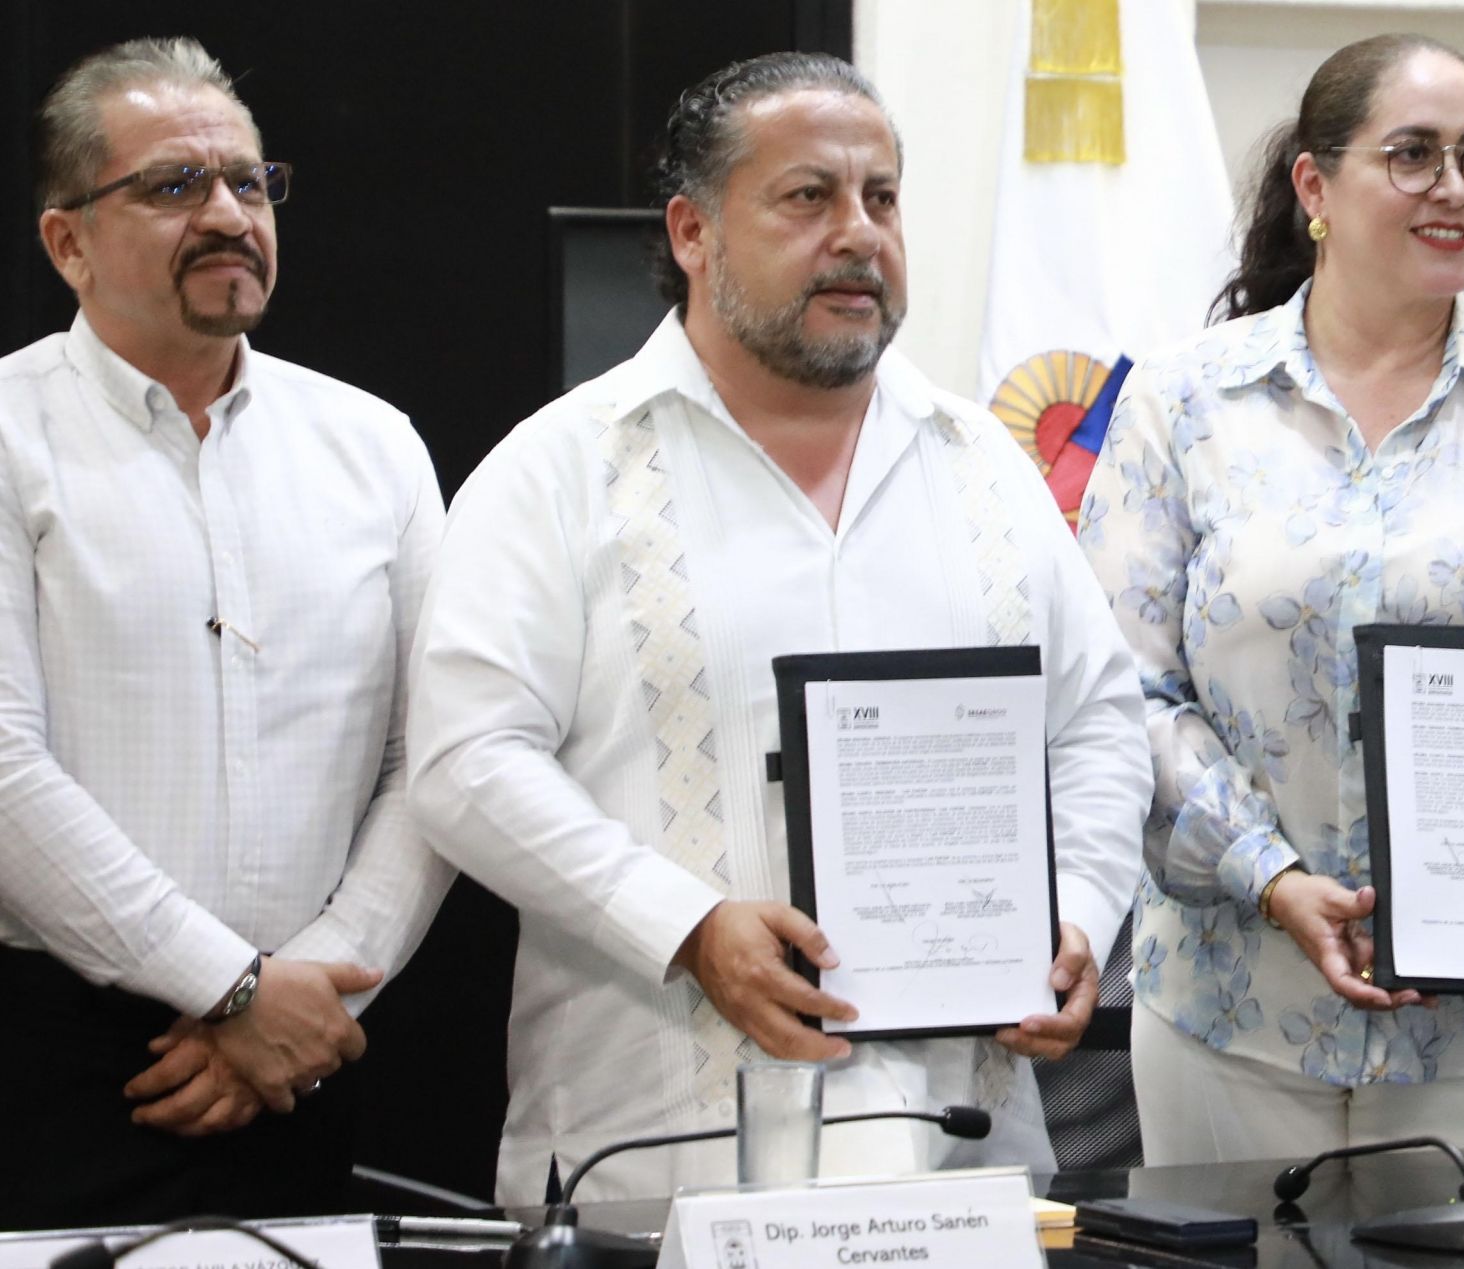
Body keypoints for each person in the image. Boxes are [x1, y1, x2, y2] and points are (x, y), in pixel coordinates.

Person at [408, 53, 1149, 1203]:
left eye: (883, 198)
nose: (859, 234)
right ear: (692, 232)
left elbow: (1099, 719)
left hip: (965, 1153)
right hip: (656, 1157)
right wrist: (689, 924)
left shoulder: (984, 467)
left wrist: (1079, 917)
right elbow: (464, 761)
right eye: (808, 196)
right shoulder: (560, 467)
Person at [1077, 33, 1464, 1166]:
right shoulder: (1181, 400)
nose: (1452, 189)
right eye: (1410, 156)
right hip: (1230, 1003)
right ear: (1315, 185)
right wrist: (1270, 878)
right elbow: (1130, 689)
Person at [0, 37, 452, 1227]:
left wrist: (311, 995)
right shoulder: (9, 434)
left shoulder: (375, 447)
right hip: (59, 1053)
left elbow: (437, 757)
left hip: (312, 1052)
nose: (227, 214)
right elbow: (1, 768)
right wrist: (231, 987)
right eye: (173, 186)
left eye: (249, 183)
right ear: (68, 241)